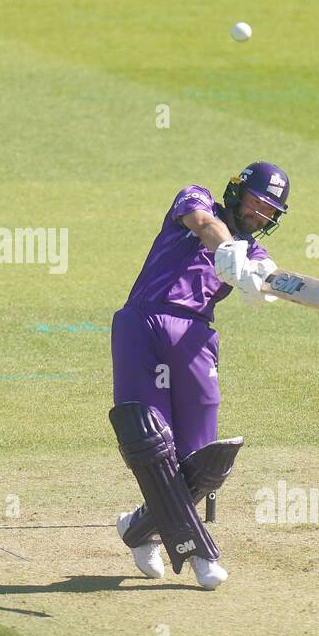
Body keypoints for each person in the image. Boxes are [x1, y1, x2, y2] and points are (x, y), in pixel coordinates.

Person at [109, 162, 289, 589]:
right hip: (145, 321)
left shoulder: (254, 251)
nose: (259, 216)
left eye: (269, 212)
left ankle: (140, 528)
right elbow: (204, 223)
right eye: (255, 203)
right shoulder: (198, 198)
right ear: (236, 192)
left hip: (195, 337)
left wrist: (263, 281)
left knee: (204, 461)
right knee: (151, 440)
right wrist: (230, 252)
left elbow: (266, 279)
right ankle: (201, 552)